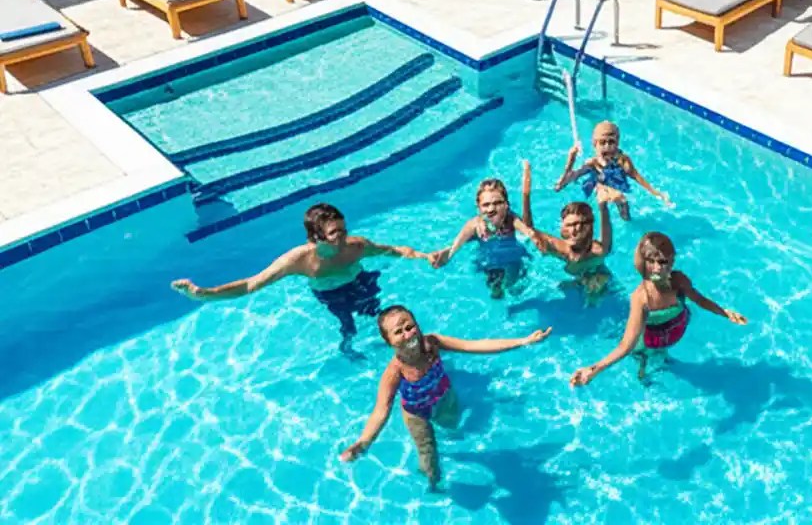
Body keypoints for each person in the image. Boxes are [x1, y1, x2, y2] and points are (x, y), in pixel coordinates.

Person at [170, 203, 429, 358]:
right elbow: (250, 284)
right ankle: (347, 349)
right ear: (315, 238)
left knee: (381, 315)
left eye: (343, 229)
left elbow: (393, 250)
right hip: (331, 294)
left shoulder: (356, 246)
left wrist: (424, 256)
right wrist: (204, 293)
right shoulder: (298, 260)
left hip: (359, 280)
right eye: (333, 233)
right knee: (349, 328)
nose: (342, 237)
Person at [339, 305, 552, 489]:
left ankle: (453, 446)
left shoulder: (433, 343)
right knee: (429, 459)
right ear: (389, 342)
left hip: (444, 397)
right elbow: (381, 410)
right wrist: (362, 443)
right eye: (398, 332)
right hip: (416, 414)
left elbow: (474, 346)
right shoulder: (395, 371)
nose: (407, 333)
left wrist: (522, 341)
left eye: (409, 326)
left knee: (452, 426)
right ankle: (433, 485)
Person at [569, 232, 747, 384]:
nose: (656, 268)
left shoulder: (678, 281)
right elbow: (626, 345)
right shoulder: (641, 298)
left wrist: (724, 312)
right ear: (643, 262)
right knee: (643, 360)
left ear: (671, 262)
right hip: (648, 341)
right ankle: (643, 369)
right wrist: (595, 369)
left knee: (663, 356)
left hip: (675, 329)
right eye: (650, 261)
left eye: (662, 262)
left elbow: (699, 299)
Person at [427, 162, 537, 299]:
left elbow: (529, 232)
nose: (491, 209)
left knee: (516, 290)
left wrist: (525, 196)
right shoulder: (475, 225)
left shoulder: (511, 220)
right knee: (496, 292)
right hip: (490, 262)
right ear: (478, 208)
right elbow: (458, 242)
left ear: (506, 205)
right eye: (486, 205)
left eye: (497, 203)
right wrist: (448, 254)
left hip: (513, 258)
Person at [554, 121, 671, 221]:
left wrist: (657, 194)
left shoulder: (622, 161)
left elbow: (637, 177)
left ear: (617, 143)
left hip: (618, 189)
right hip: (600, 189)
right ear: (595, 145)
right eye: (602, 142)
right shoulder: (592, 163)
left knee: (623, 204)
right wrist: (570, 161)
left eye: (611, 142)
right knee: (612, 194)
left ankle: (627, 220)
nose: (607, 146)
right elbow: (562, 183)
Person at [526, 193, 615, 302]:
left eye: (579, 226)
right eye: (569, 225)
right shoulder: (561, 249)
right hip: (580, 280)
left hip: (600, 276)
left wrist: (603, 205)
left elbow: (605, 221)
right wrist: (526, 195)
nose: (573, 231)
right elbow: (529, 230)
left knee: (595, 287)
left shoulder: (598, 251)